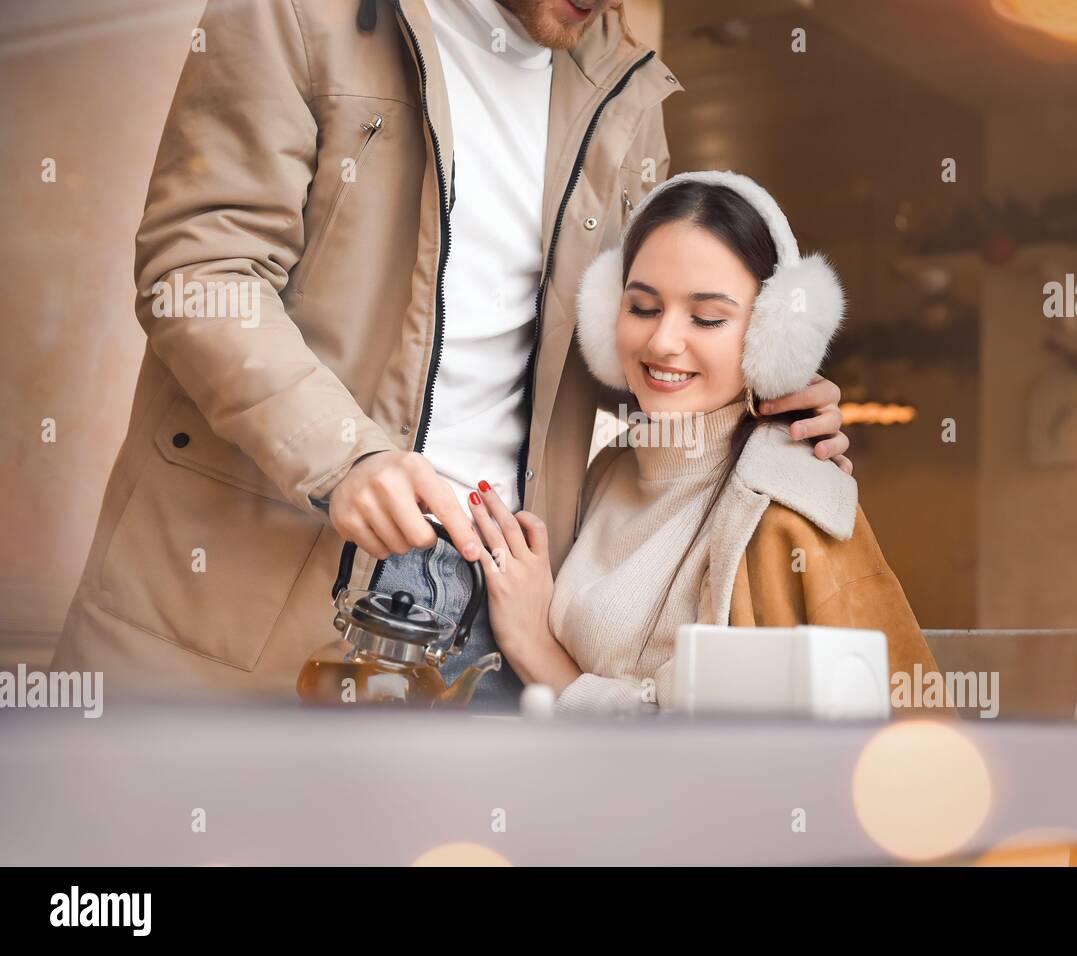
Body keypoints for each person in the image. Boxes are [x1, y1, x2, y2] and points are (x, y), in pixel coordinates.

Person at [52, 1, 852, 707]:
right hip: (264, 585)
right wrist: (344, 457)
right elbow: (199, 275)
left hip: (509, 608)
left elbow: (635, 332)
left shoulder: (626, 82)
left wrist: (765, 402)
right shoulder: (293, 11)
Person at [461, 171, 945, 714]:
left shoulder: (783, 505)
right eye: (642, 307)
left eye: (709, 318)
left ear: (772, 334)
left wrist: (536, 651)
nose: (663, 341)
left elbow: (721, 743)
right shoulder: (611, 470)